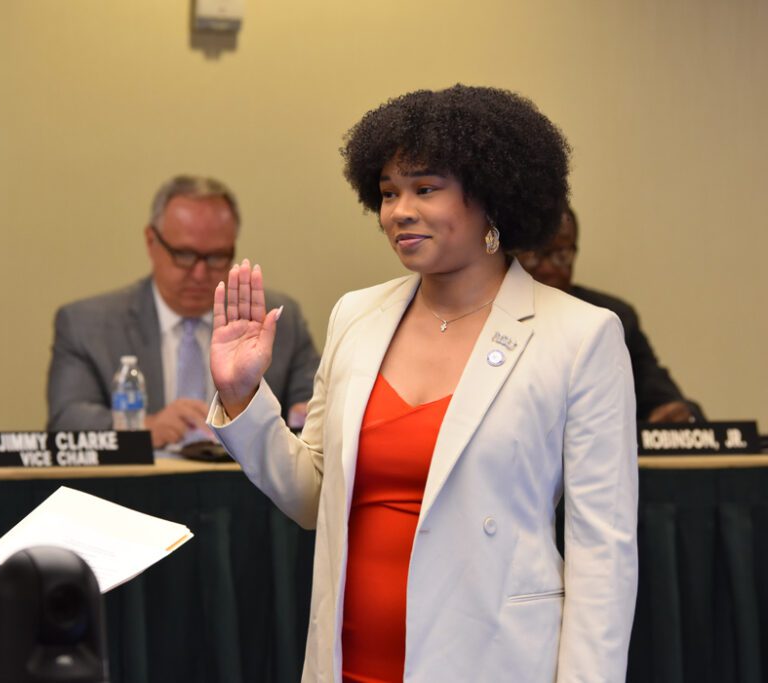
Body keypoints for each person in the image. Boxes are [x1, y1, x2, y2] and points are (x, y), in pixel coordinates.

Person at [208, 86, 638, 682]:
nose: (399, 211)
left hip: (495, 660)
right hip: (350, 660)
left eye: (425, 189)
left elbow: (603, 553)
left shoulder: (580, 336)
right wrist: (242, 397)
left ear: (490, 197)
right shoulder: (355, 317)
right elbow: (316, 499)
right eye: (388, 193)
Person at [47, 174, 320, 448]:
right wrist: (144, 428)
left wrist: (307, 414)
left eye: (216, 257)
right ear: (151, 241)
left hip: (242, 485)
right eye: (184, 255)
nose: (200, 273)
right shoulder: (87, 324)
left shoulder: (274, 321)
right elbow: (67, 419)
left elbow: (309, 407)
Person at [519, 206, 703, 423]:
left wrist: (680, 414)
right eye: (534, 255)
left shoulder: (611, 317)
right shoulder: (488, 314)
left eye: (561, 255)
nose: (548, 269)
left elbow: (660, 397)